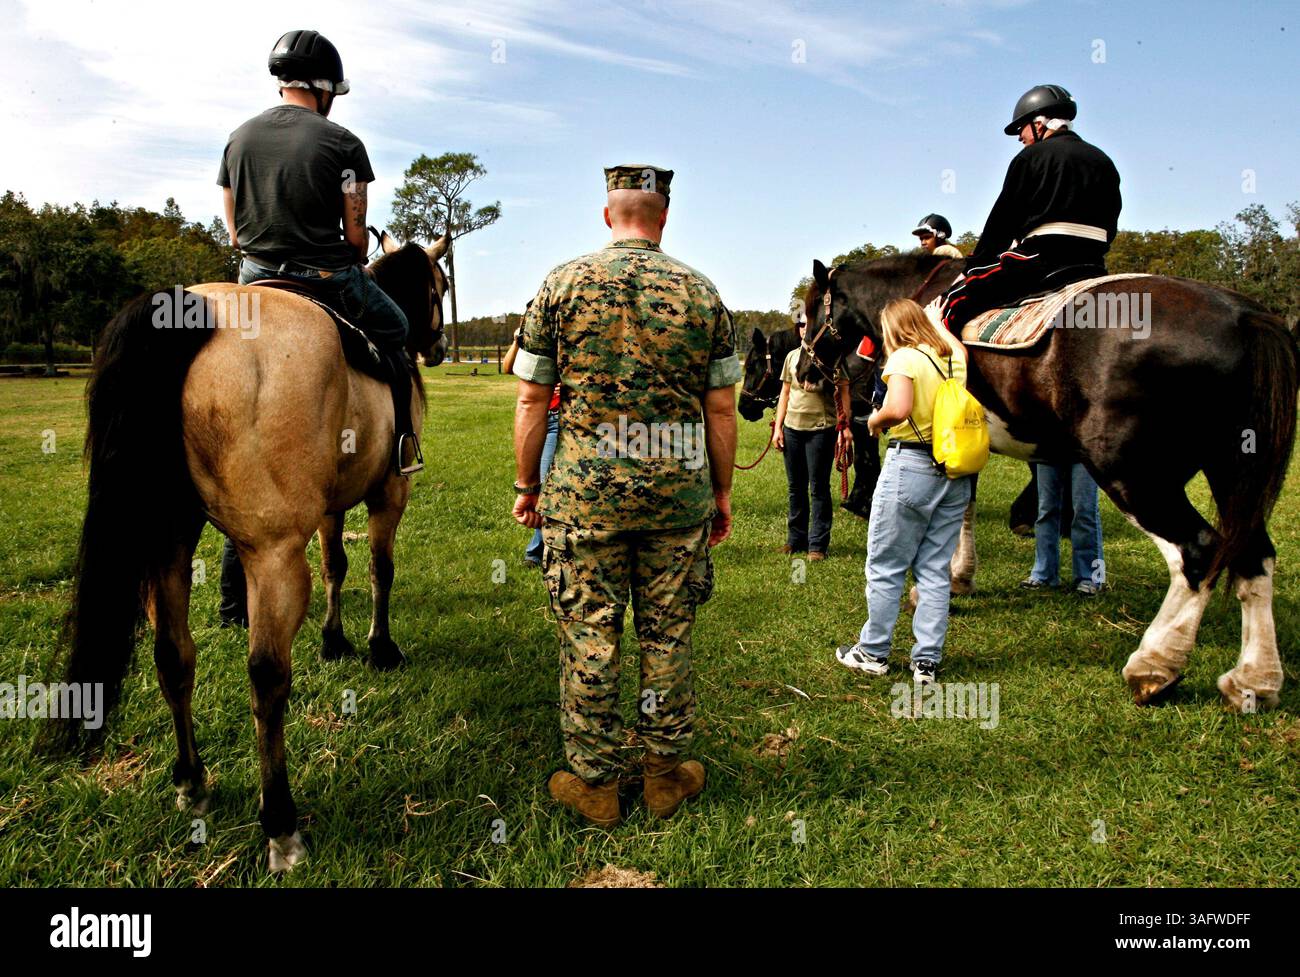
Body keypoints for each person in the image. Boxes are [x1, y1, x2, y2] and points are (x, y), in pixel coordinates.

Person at [512, 164, 740, 827]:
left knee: (591, 636)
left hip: (584, 496)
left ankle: (596, 785)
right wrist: (721, 492)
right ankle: (665, 777)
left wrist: (529, 484)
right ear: (663, 217)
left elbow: (531, 396)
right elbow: (720, 411)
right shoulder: (701, 292)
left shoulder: (561, 284)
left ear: (607, 214)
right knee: (668, 636)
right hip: (676, 498)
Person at [216, 30, 418, 627]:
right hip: (327, 276)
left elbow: (232, 230)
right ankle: (402, 444)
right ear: (327, 88)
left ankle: (233, 602)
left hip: (253, 282)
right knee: (398, 328)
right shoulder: (343, 143)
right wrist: (345, 246)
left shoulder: (237, 138)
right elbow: (357, 238)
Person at [835, 298, 973, 685]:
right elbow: (956, 346)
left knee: (886, 564)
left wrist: (874, 422)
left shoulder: (903, 359)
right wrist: (938, 322)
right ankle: (926, 661)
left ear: (894, 329)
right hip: (953, 469)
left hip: (911, 465)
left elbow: (898, 408)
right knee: (933, 569)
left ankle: (873, 651)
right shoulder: (953, 358)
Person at [941, 84, 1122, 332]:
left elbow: (1001, 225)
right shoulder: (1104, 160)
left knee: (953, 301)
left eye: (1020, 128)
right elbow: (1110, 225)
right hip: (1092, 263)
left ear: (1039, 124)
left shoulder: (1030, 157)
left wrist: (972, 267)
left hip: (1039, 262)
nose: (1019, 137)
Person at [773, 316, 838, 559]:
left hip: (820, 429)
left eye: (808, 325)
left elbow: (842, 388)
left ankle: (817, 546)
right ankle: (795, 540)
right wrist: (778, 428)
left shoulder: (829, 356)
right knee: (795, 487)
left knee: (818, 487)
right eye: (800, 325)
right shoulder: (791, 357)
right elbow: (785, 393)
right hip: (792, 429)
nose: (803, 329)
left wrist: (845, 426)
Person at [501, 317, 559, 568]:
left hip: (560, 418)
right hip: (541, 418)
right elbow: (506, 368)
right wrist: (517, 340)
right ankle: (538, 550)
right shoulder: (534, 343)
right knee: (543, 485)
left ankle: (536, 552)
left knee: (546, 484)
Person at [1022, 462, 1106, 596]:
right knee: (1046, 509)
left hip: (1083, 448)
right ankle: (1044, 573)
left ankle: (1092, 578)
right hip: (1049, 448)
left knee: (1084, 510)